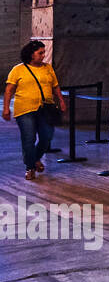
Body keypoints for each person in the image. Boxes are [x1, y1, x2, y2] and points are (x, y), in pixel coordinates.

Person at [3, 40, 66, 180]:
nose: (43, 56)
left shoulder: (48, 68)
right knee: (28, 138)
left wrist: (61, 100)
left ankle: (35, 158)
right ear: (31, 54)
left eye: (44, 52)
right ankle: (30, 167)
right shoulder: (18, 69)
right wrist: (6, 108)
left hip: (45, 108)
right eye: (40, 53)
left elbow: (55, 86)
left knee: (47, 136)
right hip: (24, 109)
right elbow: (9, 90)